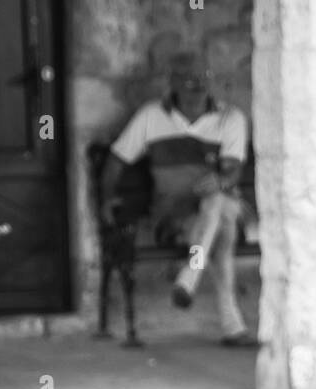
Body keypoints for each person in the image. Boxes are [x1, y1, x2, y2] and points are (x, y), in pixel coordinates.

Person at [101, 51, 255, 347]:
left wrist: (222, 180)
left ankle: (190, 275)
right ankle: (231, 325)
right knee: (221, 223)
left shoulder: (230, 118)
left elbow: (232, 174)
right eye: (189, 79)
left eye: (204, 78)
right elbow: (115, 160)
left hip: (223, 205)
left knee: (217, 203)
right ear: (172, 82)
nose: (198, 84)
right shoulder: (151, 115)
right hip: (176, 215)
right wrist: (107, 198)